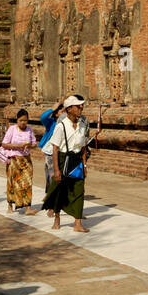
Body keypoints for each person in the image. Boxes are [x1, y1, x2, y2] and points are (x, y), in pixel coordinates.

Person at [42, 95, 100, 232]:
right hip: (63, 158)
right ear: (69, 109)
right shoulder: (61, 126)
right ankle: (57, 218)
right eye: (78, 106)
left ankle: (77, 223)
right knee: (59, 189)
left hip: (77, 160)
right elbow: (55, 149)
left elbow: (84, 147)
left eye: (81, 106)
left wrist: (84, 165)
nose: (81, 108)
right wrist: (56, 170)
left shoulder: (82, 125)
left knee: (79, 190)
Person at [0, 108, 39, 214]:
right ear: (17, 120)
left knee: (27, 183)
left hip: (26, 160)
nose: (23, 123)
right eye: (21, 120)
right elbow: (4, 144)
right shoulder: (12, 129)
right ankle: (10, 206)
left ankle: (28, 207)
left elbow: (34, 144)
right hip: (14, 160)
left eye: (25, 120)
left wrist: (29, 145)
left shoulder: (29, 130)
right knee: (12, 182)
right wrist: (17, 146)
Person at [38, 98, 63, 190]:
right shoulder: (52, 123)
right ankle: (51, 193)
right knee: (51, 173)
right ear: (56, 114)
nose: (64, 114)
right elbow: (43, 117)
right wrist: (53, 108)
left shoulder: (66, 124)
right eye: (61, 111)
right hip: (50, 152)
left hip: (61, 151)